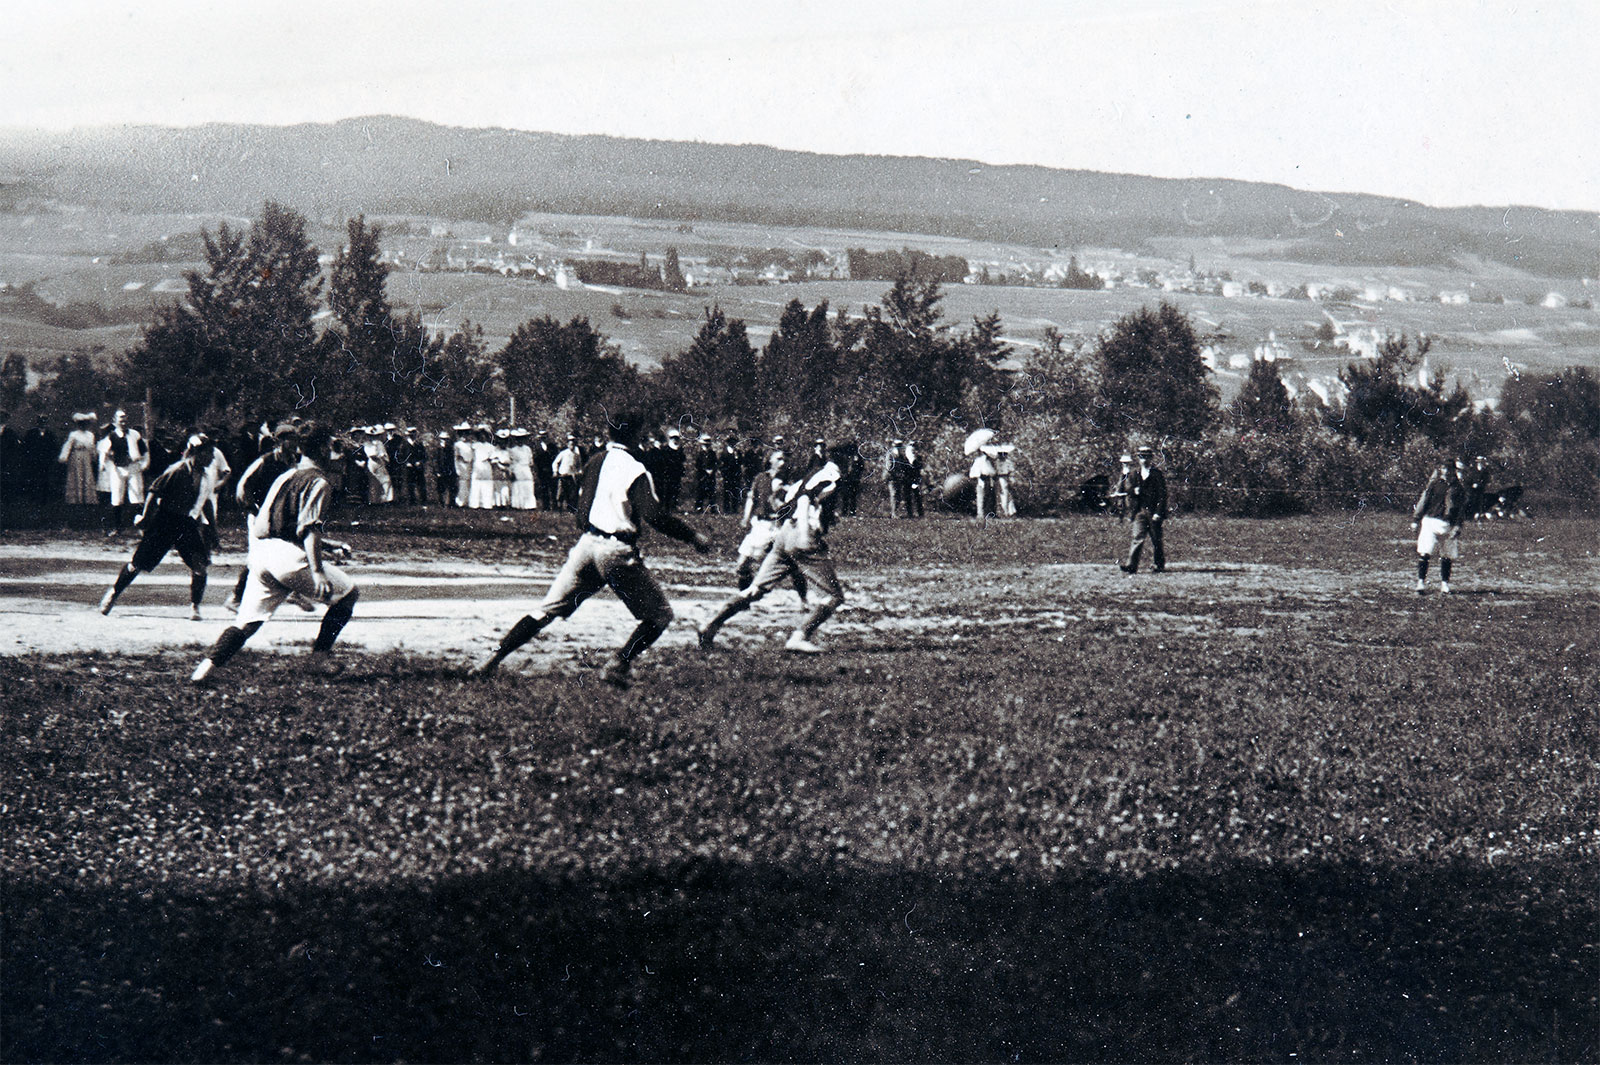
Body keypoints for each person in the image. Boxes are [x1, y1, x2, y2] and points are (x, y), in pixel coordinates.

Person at [475, 411, 712, 688]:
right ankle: (618, 664)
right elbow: (654, 515)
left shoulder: (595, 461)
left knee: (545, 611)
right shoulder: (634, 468)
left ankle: (490, 661)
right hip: (616, 550)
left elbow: (581, 511)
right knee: (660, 616)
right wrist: (692, 536)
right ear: (636, 435)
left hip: (586, 545)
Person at [190, 422, 359, 685]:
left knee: (246, 622)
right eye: (331, 446)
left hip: (263, 555)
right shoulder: (319, 482)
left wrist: (326, 545)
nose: (333, 452)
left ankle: (205, 669)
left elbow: (262, 526)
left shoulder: (285, 476)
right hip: (290, 560)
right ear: (322, 449)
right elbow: (309, 528)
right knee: (348, 595)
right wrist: (317, 571)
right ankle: (319, 659)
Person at [697, 444, 846, 655]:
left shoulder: (810, 474)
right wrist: (805, 532)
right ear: (847, 460)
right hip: (801, 535)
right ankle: (799, 637)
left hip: (784, 534)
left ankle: (710, 624)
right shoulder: (832, 476)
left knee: (755, 590)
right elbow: (805, 499)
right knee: (833, 596)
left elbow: (787, 500)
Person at [98, 434, 217, 620]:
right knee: (138, 564)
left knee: (200, 565)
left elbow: (206, 502)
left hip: (186, 524)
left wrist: (213, 529)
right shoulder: (177, 470)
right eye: (208, 453)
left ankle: (195, 606)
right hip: (165, 522)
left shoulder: (205, 476)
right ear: (196, 452)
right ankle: (114, 593)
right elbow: (154, 491)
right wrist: (146, 517)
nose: (212, 457)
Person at [223, 422, 315, 615]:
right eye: (290, 439)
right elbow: (242, 486)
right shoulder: (266, 461)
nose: (294, 443)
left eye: (296, 439)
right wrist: (253, 509)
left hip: (281, 517)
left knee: (291, 552)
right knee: (257, 558)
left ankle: (294, 593)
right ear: (279, 441)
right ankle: (235, 598)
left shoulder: (294, 462)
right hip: (262, 517)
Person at [734, 448, 807, 600]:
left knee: (793, 566)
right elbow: (751, 498)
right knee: (742, 564)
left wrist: (780, 494)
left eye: (785, 460)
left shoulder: (791, 483)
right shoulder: (760, 478)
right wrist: (746, 517)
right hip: (762, 525)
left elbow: (789, 507)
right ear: (770, 461)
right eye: (779, 459)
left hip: (781, 527)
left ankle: (803, 600)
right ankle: (745, 600)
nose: (783, 462)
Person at [1412, 459, 1468, 594]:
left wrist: (1458, 526)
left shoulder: (1458, 488)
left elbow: (1461, 510)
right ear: (1440, 470)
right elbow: (1424, 501)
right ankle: (1421, 583)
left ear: (1453, 471)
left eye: (1449, 469)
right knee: (1425, 552)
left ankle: (1444, 584)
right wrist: (1416, 518)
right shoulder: (1435, 484)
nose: (1446, 471)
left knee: (1447, 556)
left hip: (1448, 524)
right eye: (1444, 468)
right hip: (1430, 521)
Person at [97, 408, 147, 535]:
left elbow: (145, 451)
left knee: (137, 495)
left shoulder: (135, 434)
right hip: (118, 469)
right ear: (115, 421)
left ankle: (140, 527)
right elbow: (104, 452)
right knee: (117, 497)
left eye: (125, 419)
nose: (123, 422)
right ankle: (117, 528)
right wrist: (102, 465)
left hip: (134, 467)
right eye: (120, 419)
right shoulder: (111, 436)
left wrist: (144, 464)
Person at [1120, 444, 1168, 574]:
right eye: (1141, 457)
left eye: (1146, 457)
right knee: (1137, 537)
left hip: (1153, 511)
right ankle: (1131, 565)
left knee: (1156, 539)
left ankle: (1158, 564)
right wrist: (1133, 491)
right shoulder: (1134, 473)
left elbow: (1162, 495)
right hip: (1139, 511)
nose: (1144, 460)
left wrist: (1158, 512)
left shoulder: (1157, 474)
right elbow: (1127, 490)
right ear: (1138, 458)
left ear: (1151, 458)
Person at [59, 413, 99, 520]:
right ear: (78, 424)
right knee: (76, 477)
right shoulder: (73, 434)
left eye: (85, 423)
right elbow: (68, 446)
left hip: (86, 457)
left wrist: (94, 457)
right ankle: (75, 500)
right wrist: (64, 457)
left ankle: (87, 501)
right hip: (76, 457)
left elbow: (92, 447)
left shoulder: (90, 435)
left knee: (87, 477)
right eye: (81, 423)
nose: (83, 425)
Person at [553, 432, 583, 512]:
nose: (571, 446)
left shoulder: (577, 455)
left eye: (573, 444)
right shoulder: (563, 453)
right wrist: (555, 471)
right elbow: (555, 462)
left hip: (571, 476)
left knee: (571, 493)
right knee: (561, 492)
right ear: (567, 445)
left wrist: (579, 472)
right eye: (570, 444)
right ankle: (559, 508)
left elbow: (579, 465)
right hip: (563, 475)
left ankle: (570, 509)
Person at [657, 428, 686, 511]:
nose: (675, 440)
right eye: (673, 438)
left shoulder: (679, 449)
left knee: (676, 489)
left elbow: (683, 459)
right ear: (670, 439)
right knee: (667, 490)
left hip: (676, 473)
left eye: (676, 438)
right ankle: (666, 507)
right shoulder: (665, 449)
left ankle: (674, 506)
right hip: (668, 473)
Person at [508, 428, 536, 510]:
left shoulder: (527, 449)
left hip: (526, 469)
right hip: (517, 469)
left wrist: (531, 468)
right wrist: (512, 472)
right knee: (518, 486)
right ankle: (518, 505)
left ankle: (529, 505)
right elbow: (512, 462)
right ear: (516, 439)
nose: (520, 440)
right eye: (518, 438)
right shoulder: (513, 450)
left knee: (528, 485)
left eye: (522, 438)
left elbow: (531, 461)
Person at [970, 444, 998, 519]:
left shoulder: (989, 462)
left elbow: (992, 471)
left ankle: (989, 513)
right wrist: (980, 475)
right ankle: (980, 514)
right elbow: (974, 472)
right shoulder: (979, 461)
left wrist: (992, 475)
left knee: (990, 497)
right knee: (981, 497)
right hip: (982, 480)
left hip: (989, 480)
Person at [693, 433, 718, 512]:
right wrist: (705, 470)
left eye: (707, 444)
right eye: (704, 444)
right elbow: (697, 465)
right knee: (700, 492)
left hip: (711, 475)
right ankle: (699, 507)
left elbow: (716, 463)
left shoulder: (712, 453)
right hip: (702, 475)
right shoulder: (699, 454)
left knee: (711, 492)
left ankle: (712, 508)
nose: (706, 446)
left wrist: (712, 470)